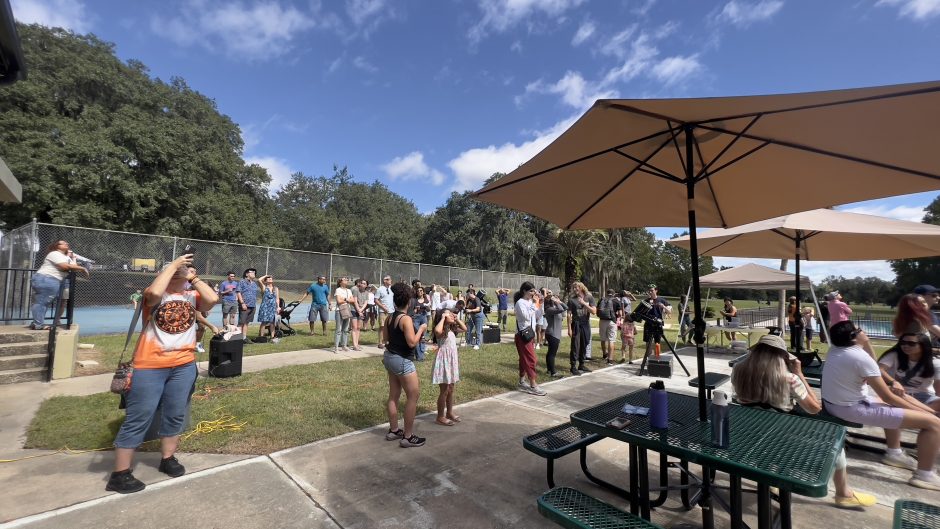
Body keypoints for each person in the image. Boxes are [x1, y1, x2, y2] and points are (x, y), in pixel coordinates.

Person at [106, 254, 218, 494]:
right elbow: (155, 294)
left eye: (185, 271)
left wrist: (193, 276)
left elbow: (212, 299)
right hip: (149, 365)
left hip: (183, 365)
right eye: (179, 271)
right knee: (140, 416)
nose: (182, 273)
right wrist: (173, 266)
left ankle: (168, 458)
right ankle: (120, 474)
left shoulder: (192, 296)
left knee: (175, 412)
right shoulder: (154, 293)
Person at [731, 334, 877, 508]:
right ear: (781, 357)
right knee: (835, 441)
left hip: (747, 435)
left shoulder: (738, 370)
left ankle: (770, 478)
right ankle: (843, 493)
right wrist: (799, 373)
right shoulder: (789, 379)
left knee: (767, 430)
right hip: (781, 442)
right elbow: (814, 408)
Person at [822, 321, 940, 491]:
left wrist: (927, 410)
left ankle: (895, 453)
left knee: (902, 394)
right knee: (933, 424)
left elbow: (873, 363)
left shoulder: (838, 350)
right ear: (854, 337)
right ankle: (925, 475)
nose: (863, 331)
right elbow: (888, 397)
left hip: (838, 404)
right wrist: (928, 414)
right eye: (859, 330)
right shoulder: (859, 358)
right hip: (851, 408)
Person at [383, 282, 428, 448]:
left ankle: (394, 430)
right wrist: (421, 329)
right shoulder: (406, 319)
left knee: (393, 395)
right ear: (408, 302)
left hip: (389, 357)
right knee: (412, 397)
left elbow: (385, 340)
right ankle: (408, 436)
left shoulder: (389, 317)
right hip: (402, 361)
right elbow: (411, 343)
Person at [29, 240, 88, 330]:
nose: (66, 244)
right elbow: (64, 266)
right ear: (57, 246)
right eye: (63, 243)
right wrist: (82, 268)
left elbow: (74, 267)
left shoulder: (66, 257)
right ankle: (38, 324)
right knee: (41, 302)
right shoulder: (54, 253)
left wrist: (74, 258)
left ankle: (37, 323)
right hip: (46, 278)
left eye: (67, 243)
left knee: (44, 302)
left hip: (53, 279)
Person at [879, 332, 940, 414]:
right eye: (902, 343)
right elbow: (879, 369)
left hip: (924, 396)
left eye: (911, 343)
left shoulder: (935, 362)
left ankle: (920, 416)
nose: (905, 346)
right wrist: (894, 382)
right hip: (900, 395)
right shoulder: (895, 355)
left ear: (923, 346)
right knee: (891, 414)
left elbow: (938, 388)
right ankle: (927, 415)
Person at [432, 307, 466, 425]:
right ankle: (440, 416)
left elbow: (465, 328)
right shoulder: (442, 330)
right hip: (444, 362)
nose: (452, 315)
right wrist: (442, 318)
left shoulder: (452, 329)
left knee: (451, 389)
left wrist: (456, 319)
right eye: (449, 315)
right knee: (444, 390)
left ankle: (449, 412)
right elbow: (436, 331)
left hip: (451, 361)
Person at [514, 281, 547, 395]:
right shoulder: (520, 303)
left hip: (530, 334)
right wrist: (534, 303)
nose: (533, 293)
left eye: (534, 291)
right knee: (531, 359)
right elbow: (526, 317)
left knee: (524, 358)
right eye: (531, 291)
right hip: (523, 335)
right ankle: (533, 384)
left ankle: (522, 381)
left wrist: (540, 303)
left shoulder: (530, 301)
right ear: (524, 291)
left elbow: (538, 315)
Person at [567, 281, 596, 376]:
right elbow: (568, 314)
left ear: (581, 288)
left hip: (585, 323)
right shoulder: (572, 300)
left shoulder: (589, 297)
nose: (575, 289)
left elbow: (594, 311)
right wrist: (569, 329)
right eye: (573, 288)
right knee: (575, 345)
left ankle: (582, 364)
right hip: (576, 324)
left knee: (585, 342)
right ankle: (573, 366)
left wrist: (584, 303)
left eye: (577, 287)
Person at [542, 290, 567, 378]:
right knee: (552, 354)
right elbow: (560, 309)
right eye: (554, 298)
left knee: (550, 353)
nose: (556, 299)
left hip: (554, 333)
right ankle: (553, 372)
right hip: (553, 334)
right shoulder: (549, 309)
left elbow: (565, 307)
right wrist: (557, 302)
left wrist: (559, 302)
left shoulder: (554, 308)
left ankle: (549, 370)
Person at [597, 289, 621, 365]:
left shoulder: (602, 299)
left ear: (607, 293)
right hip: (612, 321)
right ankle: (610, 360)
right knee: (611, 340)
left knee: (603, 339)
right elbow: (620, 313)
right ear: (614, 294)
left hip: (602, 320)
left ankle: (604, 354)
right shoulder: (616, 301)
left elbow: (598, 310)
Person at [235, 268, 259, 342]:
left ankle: (244, 338)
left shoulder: (254, 284)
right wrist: (242, 303)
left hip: (252, 306)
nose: (254, 273)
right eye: (252, 272)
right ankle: (238, 338)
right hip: (245, 305)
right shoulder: (242, 281)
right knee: (241, 322)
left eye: (255, 272)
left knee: (246, 322)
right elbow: (238, 292)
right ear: (247, 274)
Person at [256, 275, 280, 343]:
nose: (270, 279)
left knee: (272, 322)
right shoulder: (264, 287)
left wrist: (278, 307)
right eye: (268, 279)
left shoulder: (276, 288)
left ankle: (272, 337)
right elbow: (259, 280)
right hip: (265, 307)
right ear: (265, 281)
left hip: (273, 307)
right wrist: (266, 276)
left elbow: (277, 298)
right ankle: (261, 337)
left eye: (271, 278)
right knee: (264, 322)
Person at [410, 285, 431, 360]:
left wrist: (427, 307)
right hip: (416, 317)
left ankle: (422, 355)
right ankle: (419, 356)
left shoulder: (426, 300)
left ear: (423, 292)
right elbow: (412, 311)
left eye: (421, 291)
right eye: (418, 291)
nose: (419, 292)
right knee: (416, 336)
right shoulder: (414, 300)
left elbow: (428, 310)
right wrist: (415, 310)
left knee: (423, 336)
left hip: (424, 316)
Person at [333, 277, 353, 353]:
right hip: (339, 311)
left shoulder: (349, 290)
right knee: (338, 330)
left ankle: (344, 345)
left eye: (347, 279)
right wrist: (347, 299)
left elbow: (353, 300)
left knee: (345, 329)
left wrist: (344, 299)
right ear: (340, 282)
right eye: (345, 279)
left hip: (347, 310)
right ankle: (336, 348)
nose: (347, 280)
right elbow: (338, 301)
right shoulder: (338, 290)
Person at [375, 275, 395, 348]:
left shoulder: (391, 289)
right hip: (383, 311)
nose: (390, 281)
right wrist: (383, 307)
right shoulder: (380, 289)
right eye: (388, 279)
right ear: (385, 281)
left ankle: (387, 341)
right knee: (382, 326)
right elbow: (376, 300)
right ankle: (380, 342)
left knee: (390, 327)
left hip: (391, 311)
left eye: (390, 279)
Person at [350, 278, 370, 351]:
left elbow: (366, 302)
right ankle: (354, 345)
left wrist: (361, 310)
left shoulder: (367, 293)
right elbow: (355, 301)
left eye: (364, 283)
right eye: (361, 283)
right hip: (354, 310)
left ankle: (357, 344)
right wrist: (359, 310)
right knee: (354, 327)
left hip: (361, 311)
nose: (362, 284)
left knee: (358, 327)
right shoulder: (355, 290)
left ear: (366, 285)